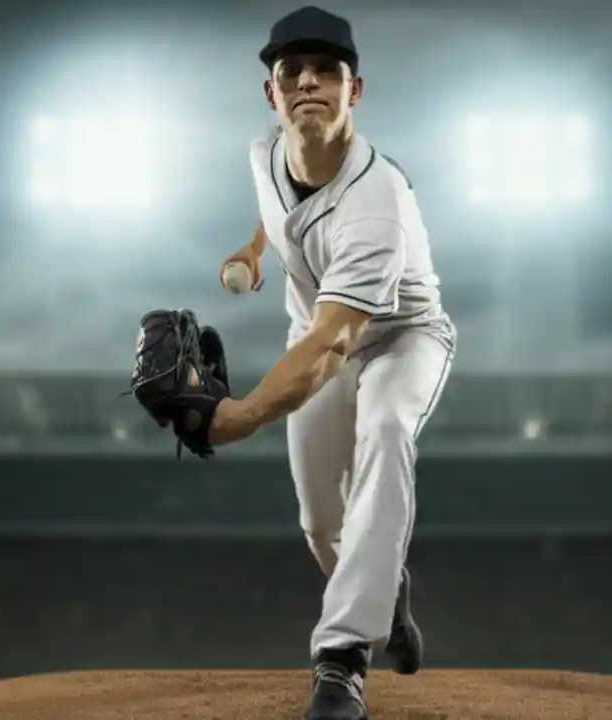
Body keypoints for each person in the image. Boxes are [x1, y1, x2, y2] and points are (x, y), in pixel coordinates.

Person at [204, 6, 456, 719]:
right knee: (320, 522)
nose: (308, 82)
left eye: (327, 71)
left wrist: (239, 415)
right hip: (318, 335)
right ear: (272, 94)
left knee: (384, 430)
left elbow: (335, 343)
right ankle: (386, 590)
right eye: (293, 72)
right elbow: (278, 198)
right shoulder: (264, 152)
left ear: (356, 90)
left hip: (401, 338)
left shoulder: (377, 197)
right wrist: (254, 251)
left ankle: (341, 660)